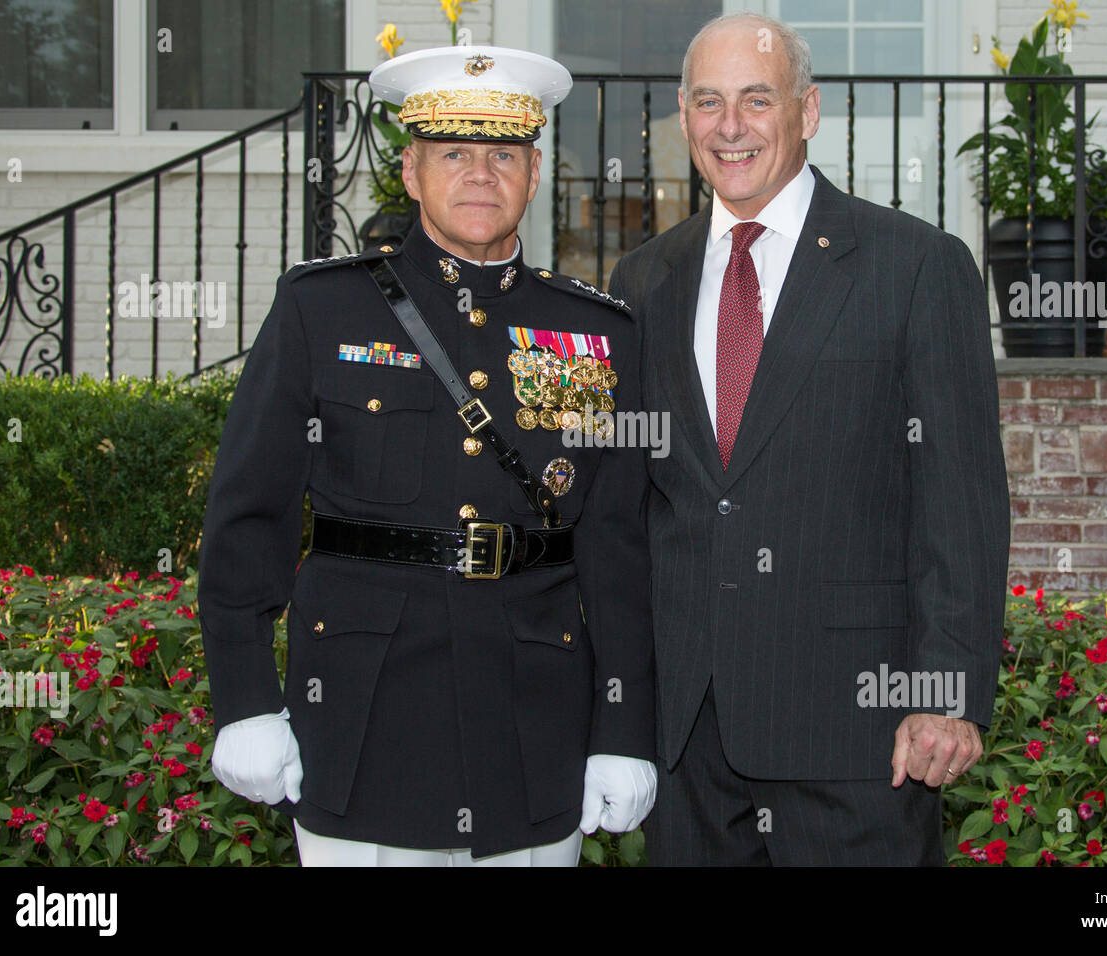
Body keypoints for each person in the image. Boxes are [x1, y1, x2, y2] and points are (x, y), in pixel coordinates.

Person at [197, 45, 656, 866]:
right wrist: (244, 701)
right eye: (454, 153)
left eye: (503, 154)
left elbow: (617, 546)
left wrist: (623, 727)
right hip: (363, 720)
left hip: (533, 724)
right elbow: (248, 513)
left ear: (536, 170)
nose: (481, 174)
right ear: (410, 171)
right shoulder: (322, 309)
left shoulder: (598, 334)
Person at [607, 12, 1010, 865]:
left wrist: (951, 693)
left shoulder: (915, 266)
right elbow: (637, 509)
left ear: (808, 110)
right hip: (689, 749)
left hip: (861, 742)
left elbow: (961, 498)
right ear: (683, 118)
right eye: (709, 103)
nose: (731, 126)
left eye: (757, 100)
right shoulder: (643, 280)